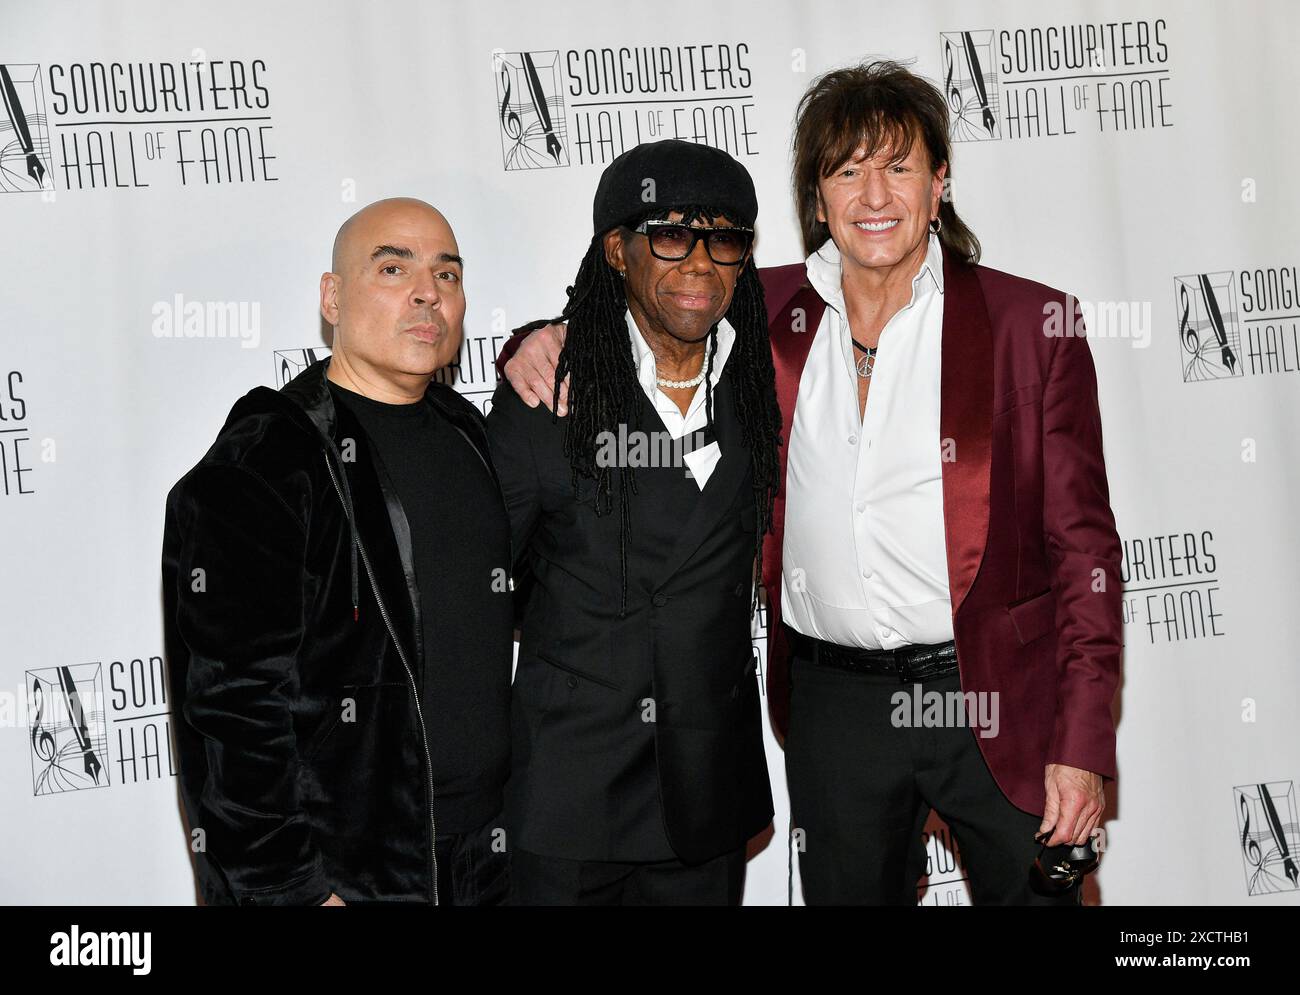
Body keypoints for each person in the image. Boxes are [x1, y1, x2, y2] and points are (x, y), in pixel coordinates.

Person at [499, 62, 1123, 905]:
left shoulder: (1031, 326)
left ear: (939, 185)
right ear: (817, 197)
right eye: (847, 169)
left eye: (899, 166)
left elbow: (1085, 549)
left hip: (994, 701)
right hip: (837, 708)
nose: (875, 193)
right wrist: (546, 336)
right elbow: (651, 295)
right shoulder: (765, 313)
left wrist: (1082, 743)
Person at [163, 197, 513, 905]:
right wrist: (297, 889)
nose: (426, 292)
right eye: (393, 267)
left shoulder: (466, 430)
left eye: (447, 276)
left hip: (490, 855)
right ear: (333, 297)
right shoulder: (267, 459)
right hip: (355, 875)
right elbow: (233, 713)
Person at [486, 139, 782, 905]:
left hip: (704, 797)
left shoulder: (766, 378)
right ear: (617, 250)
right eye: (671, 234)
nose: (699, 263)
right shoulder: (550, 393)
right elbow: (488, 592)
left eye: (724, 238)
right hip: (568, 795)